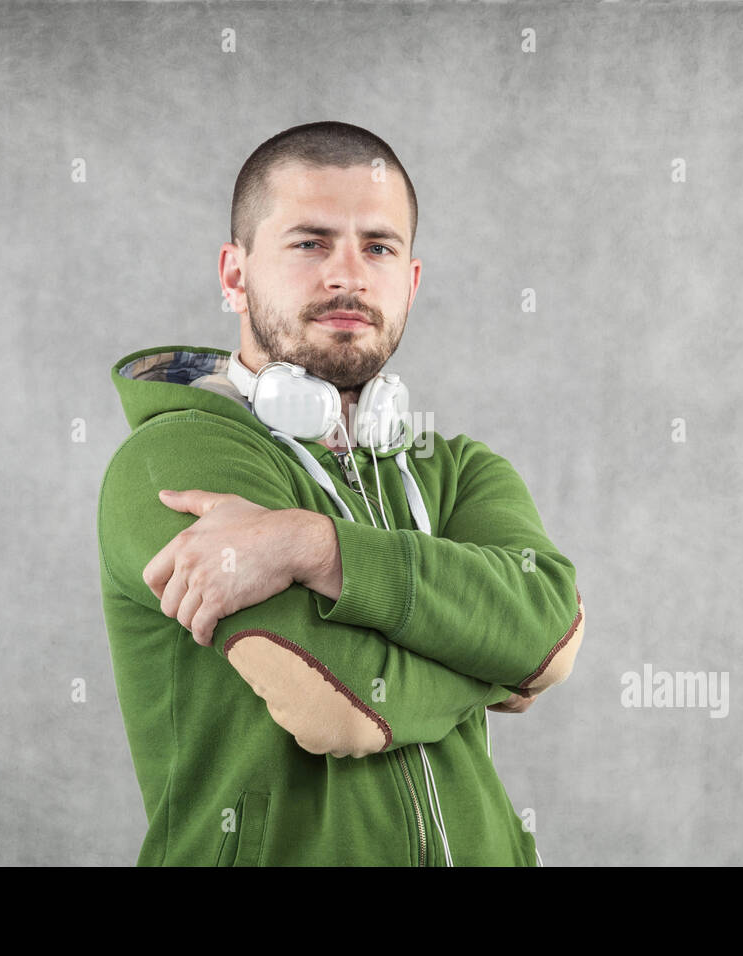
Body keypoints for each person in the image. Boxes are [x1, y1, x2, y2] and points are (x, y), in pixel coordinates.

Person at [97, 121, 585, 866]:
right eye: (310, 242)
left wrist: (314, 545)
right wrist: (492, 662)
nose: (348, 276)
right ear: (235, 274)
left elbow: (549, 632)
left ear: (411, 280)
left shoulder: (457, 470)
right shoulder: (177, 455)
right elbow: (337, 707)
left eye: (378, 247)